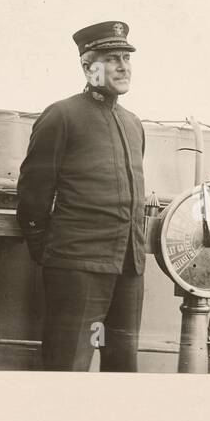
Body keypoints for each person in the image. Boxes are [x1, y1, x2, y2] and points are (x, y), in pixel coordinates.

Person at [16, 21, 147, 372]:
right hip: (78, 266)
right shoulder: (62, 115)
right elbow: (33, 192)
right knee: (67, 368)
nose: (123, 66)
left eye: (126, 58)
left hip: (129, 267)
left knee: (123, 370)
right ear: (88, 68)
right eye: (111, 58)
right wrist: (51, 250)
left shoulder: (133, 123)